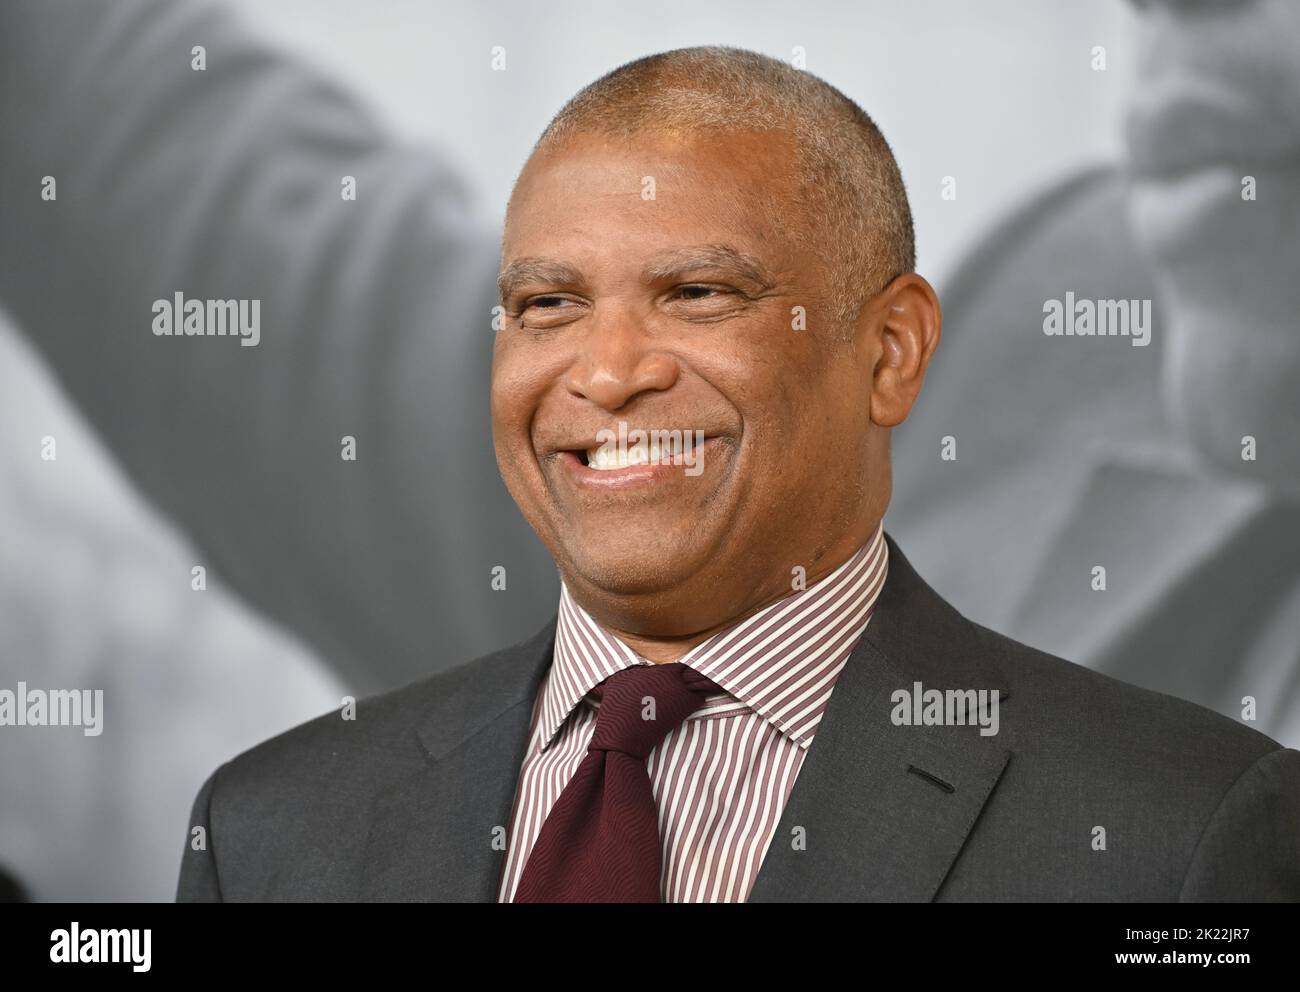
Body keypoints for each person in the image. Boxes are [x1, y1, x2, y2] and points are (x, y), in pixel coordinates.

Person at [177, 47, 1300, 902]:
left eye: (699, 293)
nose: (606, 371)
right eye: (546, 305)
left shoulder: (1184, 832)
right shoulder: (268, 830)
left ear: (891, 351)